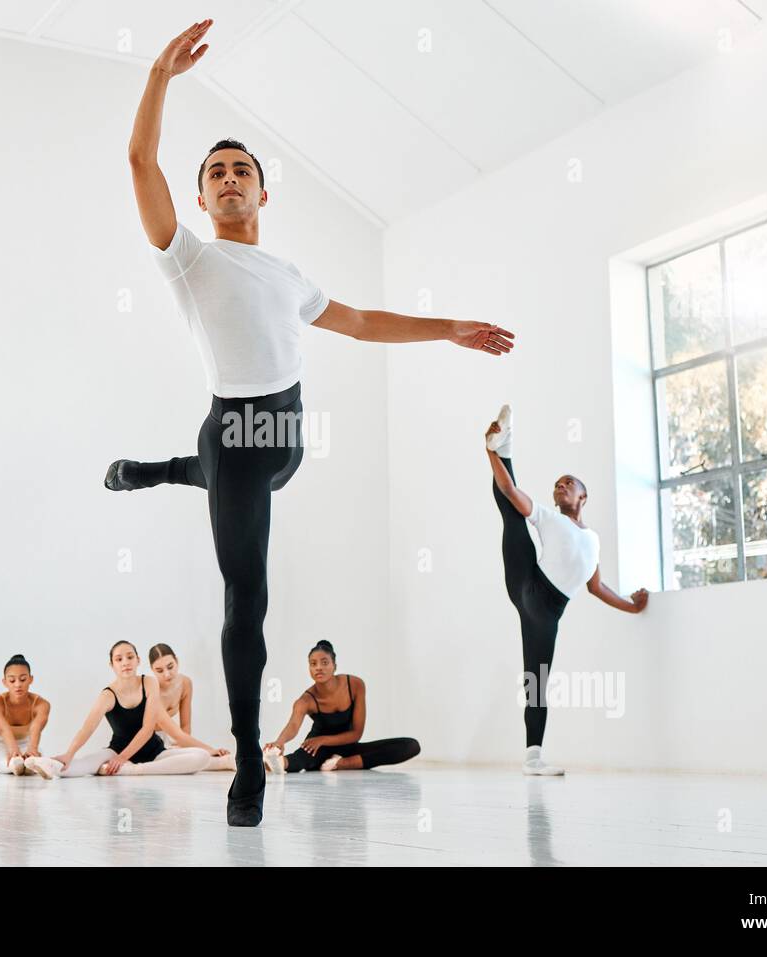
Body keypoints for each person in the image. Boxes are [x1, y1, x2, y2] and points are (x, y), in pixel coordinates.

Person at [109, 19, 515, 826]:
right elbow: (138, 162)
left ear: (264, 191)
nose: (228, 179)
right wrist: (159, 73)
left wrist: (450, 327)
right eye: (215, 173)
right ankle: (249, 762)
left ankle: (164, 469)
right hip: (236, 438)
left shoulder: (290, 274)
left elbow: (362, 321)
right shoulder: (189, 256)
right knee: (245, 595)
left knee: (218, 467)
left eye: (241, 170)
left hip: (286, 436)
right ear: (201, 198)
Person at [485, 404, 649, 775]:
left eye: (568, 483)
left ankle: (533, 758)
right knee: (512, 510)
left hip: (548, 612)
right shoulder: (546, 516)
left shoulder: (592, 540)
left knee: (537, 679)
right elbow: (509, 489)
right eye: (557, 484)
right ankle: (502, 446)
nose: (560, 486)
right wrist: (489, 452)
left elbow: (596, 587)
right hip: (527, 581)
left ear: (583, 497)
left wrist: (632, 607)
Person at [50, 641, 217, 777]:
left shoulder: (150, 683)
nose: (125, 663)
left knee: (201, 756)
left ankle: (134, 770)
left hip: (154, 752)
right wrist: (69, 754)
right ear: (112, 665)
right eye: (119, 659)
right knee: (83, 764)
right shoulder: (107, 695)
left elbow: (147, 728)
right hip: (117, 750)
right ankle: (47, 765)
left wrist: (123, 759)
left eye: (130, 657)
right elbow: (86, 729)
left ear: (138, 660)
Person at [263, 641, 420, 773]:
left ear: (334, 666)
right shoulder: (305, 700)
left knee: (410, 746)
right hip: (318, 748)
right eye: (313, 664)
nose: (318, 667)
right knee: (301, 758)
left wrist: (323, 740)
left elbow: (356, 733)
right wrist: (279, 742)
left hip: (348, 748)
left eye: (324, 662)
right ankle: (272, 763)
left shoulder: (355, 685)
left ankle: (341, 764)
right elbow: (293, 725)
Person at [148, 643, 235, 771]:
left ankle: (228, 761)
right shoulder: (152, 689)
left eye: (170, 667)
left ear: (177, 661)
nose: (167, 674)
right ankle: (226, 762)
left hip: (167, 741)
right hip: (147, 742)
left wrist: (185, 747)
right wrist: (210, 750)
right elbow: (177, 735)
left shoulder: (185, 683)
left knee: (193, 755)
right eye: (159, 671)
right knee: (198, 756)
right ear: (152, 669)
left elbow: (185, 728)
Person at [0, 654, 59, 778]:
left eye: (23, 679)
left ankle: (27, 765)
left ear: (31, 679)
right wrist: (13, 751)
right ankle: (15, 765)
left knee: (35, 758)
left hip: (26, 745)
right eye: (12, 680)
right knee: (3, 760)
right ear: (5, 682)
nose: (18, 684)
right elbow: (3, 728)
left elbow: (36, 728)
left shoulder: (42, 704)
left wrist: (32, 750)